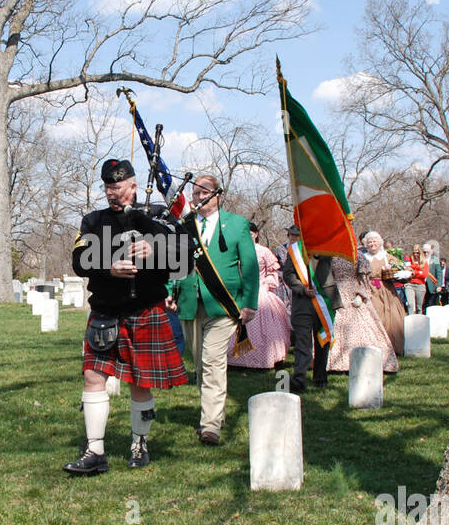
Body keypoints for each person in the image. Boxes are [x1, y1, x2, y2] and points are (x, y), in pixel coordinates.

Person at [67, 158, 192, 475]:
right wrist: (109, 266)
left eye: (118, 187)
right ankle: (95, 451)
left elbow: (187, 259)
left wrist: (157, 250)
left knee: (140, 382)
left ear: (133, 186)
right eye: (108, 187)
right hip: (105, 311)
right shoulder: (93, 221)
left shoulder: (155, 219)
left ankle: (139, 444)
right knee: (93, 376)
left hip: (144, 311)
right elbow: (80, 260)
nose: (112, 192)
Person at [166, 175, 258, 445]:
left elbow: (250, 266)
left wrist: (250, 302)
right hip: (189, 304)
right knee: (199, 365)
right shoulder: (185, 225)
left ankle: (210, 426)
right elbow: (175, 262)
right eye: (195, 191)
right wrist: (169, 291)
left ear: (218, 195)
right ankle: (215, 414)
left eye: (204, 190)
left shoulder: (237, 224)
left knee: (212, 361)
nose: (197, 195)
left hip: (223, 305)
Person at [280, 224, 341, 391]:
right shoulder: (294, 251)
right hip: (302, 302)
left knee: (322, 341)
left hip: (325, 300)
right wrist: (301, 288)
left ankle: (320, 377)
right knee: (302, 343)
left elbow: (326, 264)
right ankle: (299, 379)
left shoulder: (324, 247)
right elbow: (288, 274)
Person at [227, 221, 289, 370]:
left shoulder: (264, 251)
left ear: (256, 234)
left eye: (250, 234)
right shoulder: (236, 250)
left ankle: (264, 358)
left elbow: (273, 272)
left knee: (262, 325)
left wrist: (266, 284)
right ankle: (238, 359)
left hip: (260, 290)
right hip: (239, 290)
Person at [326, 253, 399, 374]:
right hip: (336, 292)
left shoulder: (357, 255)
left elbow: (364, 279)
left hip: (354, 292)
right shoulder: (330, 255)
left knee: (362, 326)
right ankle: (336, 362)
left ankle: (369, 359)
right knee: (337, 325)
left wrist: (361, 294)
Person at [361, 231, 405, 356]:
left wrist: (397, 272)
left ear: (380, 243)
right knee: (376, 316)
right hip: (370, 290)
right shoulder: (363, 257)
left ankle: (393, 347)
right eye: (369, 242)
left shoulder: (387, 256)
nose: (372, 244)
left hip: (386, 290)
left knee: (393, 318)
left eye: (374, 241)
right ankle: (376, 346)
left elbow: (401, 267)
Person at [422, 241, 443, 312]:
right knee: (424, 305)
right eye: (424, 252)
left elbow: (439, 273)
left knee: (433, 304)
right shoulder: (420, 260)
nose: (426, 254)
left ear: (431, 251)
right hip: (422, 285)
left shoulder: (435, 259)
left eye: (427, 252)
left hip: (433, 285)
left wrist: (439, 285)